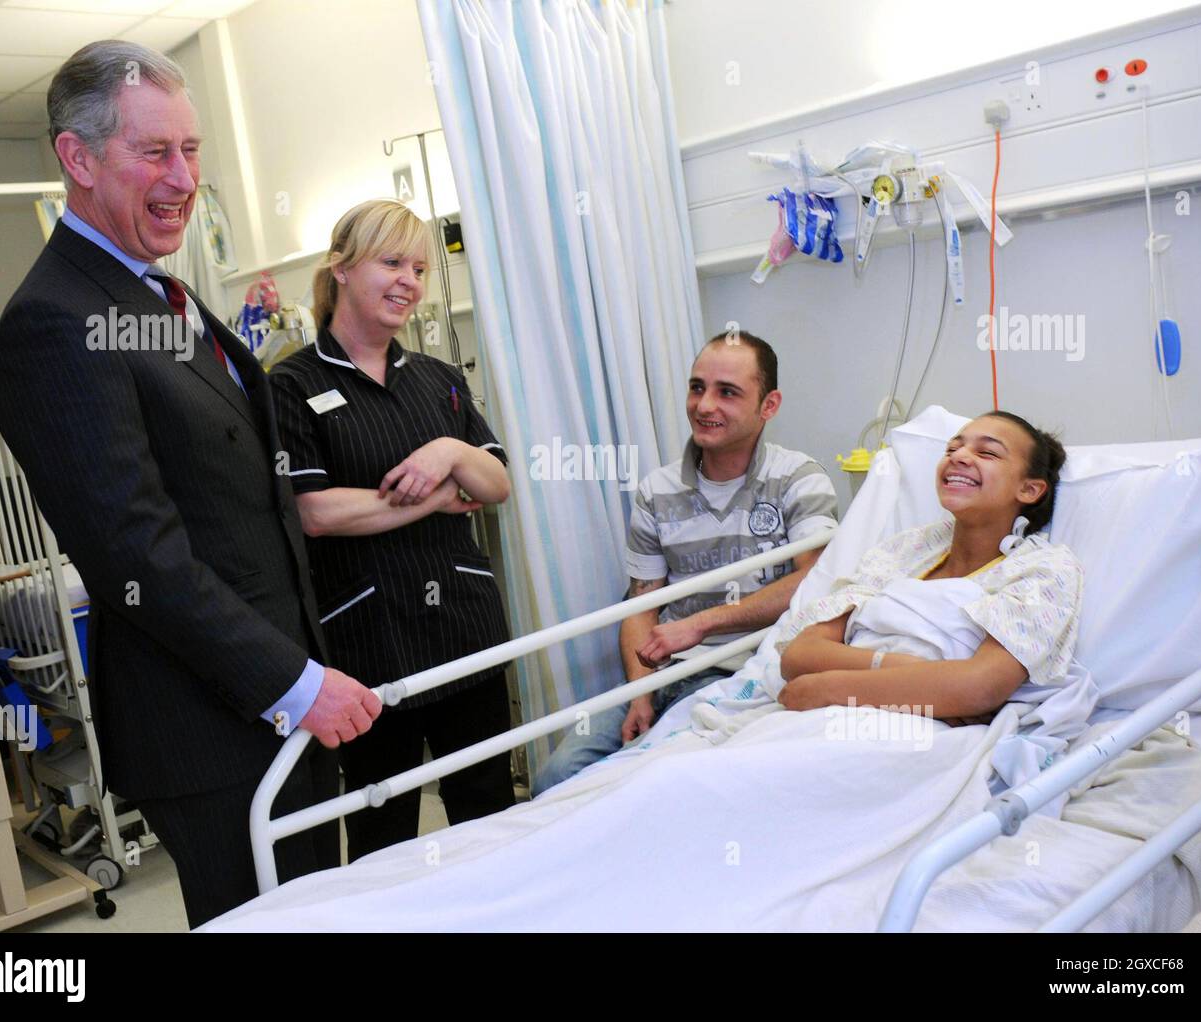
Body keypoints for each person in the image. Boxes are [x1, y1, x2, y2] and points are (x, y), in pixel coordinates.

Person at [0, 41, 381, 928]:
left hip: (276, 695)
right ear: (79, 158)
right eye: (156, 152)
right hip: (212, 725)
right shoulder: (56, 322)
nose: (184, 177)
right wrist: (292, 683)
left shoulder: (159, 295)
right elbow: (138, 552)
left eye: (193, 150)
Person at [269, 199, 517, 860]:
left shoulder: (438, 382)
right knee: (383, 833)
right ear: (342, 269)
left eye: (418, 267)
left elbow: (497, 483)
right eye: (391, 262)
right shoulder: (292, 386)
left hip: (464, 628)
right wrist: (437, 501)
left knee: (489, 812)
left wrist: (451, 453)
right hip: (368, 646)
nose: (409, 280)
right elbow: (315, 512)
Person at [533, 330, 838, 794]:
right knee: (557, 780)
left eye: (727, 392)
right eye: (697, 388)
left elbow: (814, 582)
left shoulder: (798, 479)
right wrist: (640, 689)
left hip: (750, 675)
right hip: (664, 671)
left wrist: (702, 624)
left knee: (660, 784)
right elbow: (641, 604)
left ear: (769, 405)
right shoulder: (657, 491)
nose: (704, 405)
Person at [776, 411, 1083, 723]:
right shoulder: (904, 549)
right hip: (828, 714)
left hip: (918, 730)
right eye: (952, 449)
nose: (959, 456)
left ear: (1030, 490)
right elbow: (799, 656)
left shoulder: (1042, 569)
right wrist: (912, 671)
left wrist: (829, 686)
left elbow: (978, 688)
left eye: (987, 452)